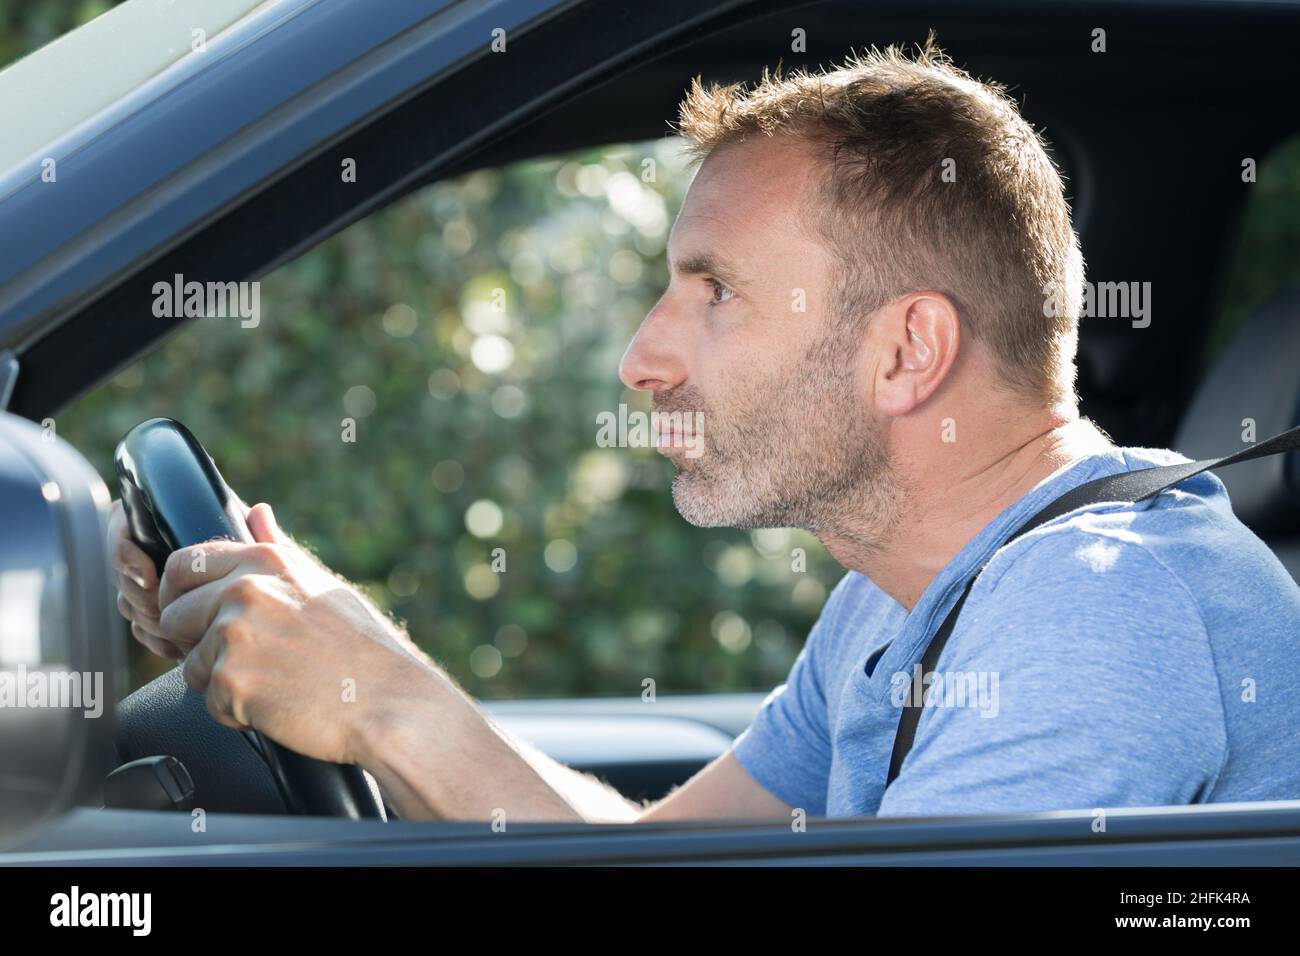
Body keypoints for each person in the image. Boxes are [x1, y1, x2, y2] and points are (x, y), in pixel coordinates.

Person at [109, 42, 1300, 821]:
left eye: (712, 289)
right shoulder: (904, 595)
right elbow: (642, 850)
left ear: (907, 351)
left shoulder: (1097, 608)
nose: (643, 356)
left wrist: (389, 704)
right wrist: (332, 648)